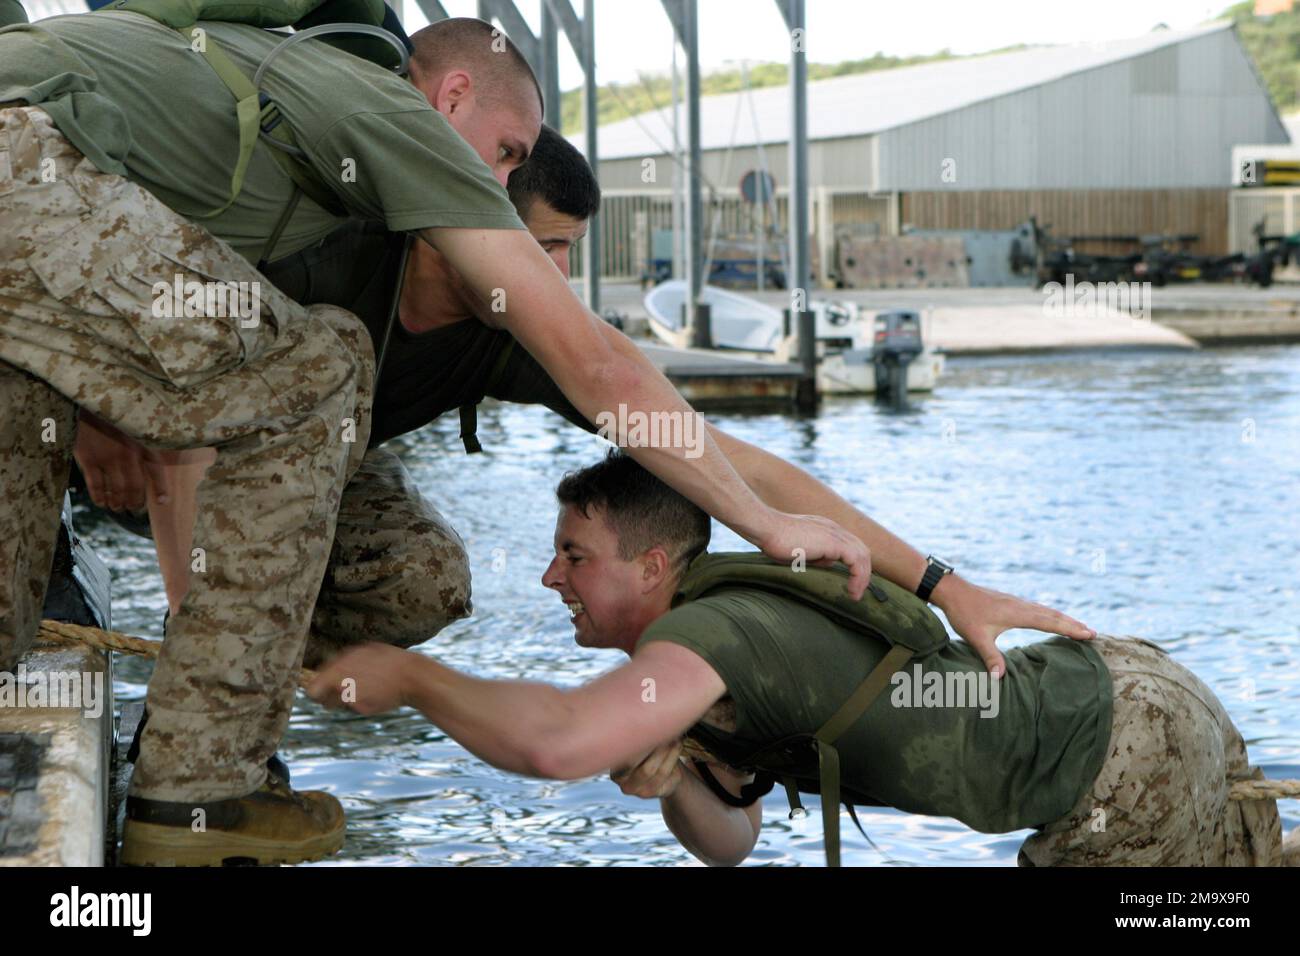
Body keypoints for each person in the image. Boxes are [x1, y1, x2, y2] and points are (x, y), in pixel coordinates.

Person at [1, 8, 875, 866]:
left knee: (31, 402)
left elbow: (686, 428)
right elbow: (603, 367)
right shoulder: (395, 138)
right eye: (505, 156)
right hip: (31, 175)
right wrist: (210, 675)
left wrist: (937, 582)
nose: (496, 187)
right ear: (452, 95)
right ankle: (194, 784)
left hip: (37, 197)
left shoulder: (308, 129)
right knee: (322, 369)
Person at [307, 451, 1284, 867]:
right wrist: (673, 768)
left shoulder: (709, 633)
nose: (550, 576)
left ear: (652, 564)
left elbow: (559, 740)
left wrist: (406, 675)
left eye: (574, 554)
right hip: (1128, 696)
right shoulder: (712, 628)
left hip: (1110, 759)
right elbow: (731, 844)